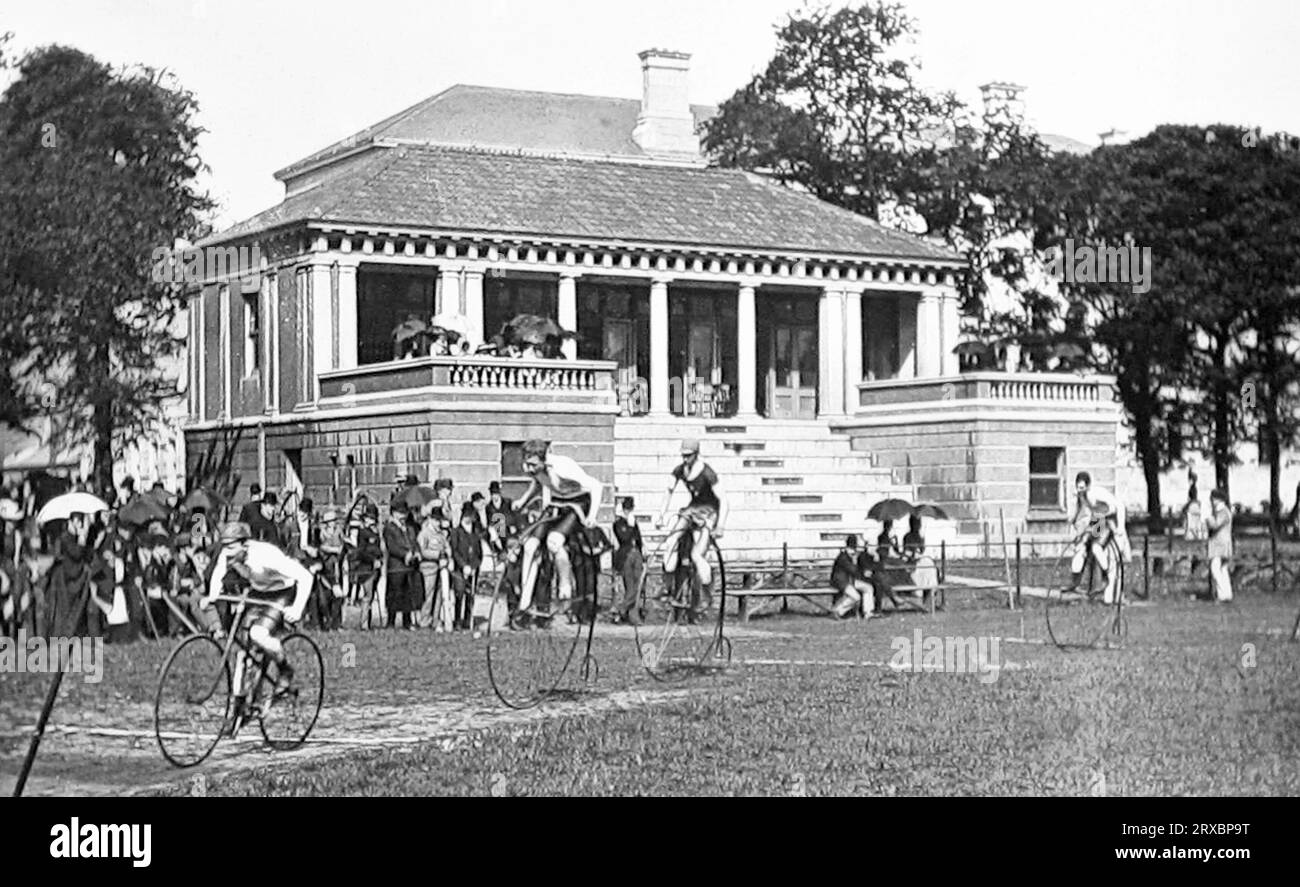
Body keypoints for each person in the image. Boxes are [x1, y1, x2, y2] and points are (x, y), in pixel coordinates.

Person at [203, 522, 314, 697]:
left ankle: (284, 669)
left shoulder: (265, 556)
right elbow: (218, 572)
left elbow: (305, 577)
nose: (227, 552)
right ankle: (243, 697)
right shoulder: (228, 553)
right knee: (243, 647)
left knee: (258, 634)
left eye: (231, 547)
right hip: (259, 592)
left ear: (244, 544)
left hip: (282, 592)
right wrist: (212, 595)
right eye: (224, 547)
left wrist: (297, 608)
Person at [513, 439, 603, 621]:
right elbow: (539, 483)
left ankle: (565, 584)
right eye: (526, 463)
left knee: (554, 541)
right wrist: (522, 501)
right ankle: (525, 599)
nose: (528, 468)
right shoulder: (536, 469)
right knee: (530, 545)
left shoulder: (563, 468)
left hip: (577, 502)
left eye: (532, 464)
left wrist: (592, 515)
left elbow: (596, 486)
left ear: (544, 459)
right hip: (556, 502)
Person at [655, 437, 727, 607]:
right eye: (683, 456)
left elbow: (724, 500)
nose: (685, 459)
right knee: (671, 541)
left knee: (696, 555)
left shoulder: (707, 473)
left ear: (696, 454)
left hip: (709, 512)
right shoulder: (680, 470)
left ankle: (706, 594)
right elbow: (668, 491)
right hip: (692, 509)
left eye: (689, 456)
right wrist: (661, 514)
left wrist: (720, 525)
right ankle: (667, 586)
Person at [383, 502, 420, 628]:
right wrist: (405, 554)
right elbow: (392, 547)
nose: (403, 516)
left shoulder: (409, 528)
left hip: (409, 566)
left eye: (405, 513)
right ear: (393, 513)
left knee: (408, 594)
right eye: (400, 513)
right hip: (396, 566)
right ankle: (391, 621)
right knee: (394, 593)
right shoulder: (389, 527)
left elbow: (414, 542)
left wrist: (415, 552)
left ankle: (407, 621)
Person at [345, 505, 382, 629]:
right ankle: (364, 623)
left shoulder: (375, 532)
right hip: (366, 568)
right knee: (367, 596)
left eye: (372, 518)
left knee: (370, 596)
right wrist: (372, 561)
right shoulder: (363, 533)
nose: (370, 521)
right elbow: (361, 552)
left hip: (376, 568)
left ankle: (368, 621)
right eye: (368, 518)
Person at [416, 501, 451, 631]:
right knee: (428, 595)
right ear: (430, 519)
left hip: (441, 568)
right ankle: (424, 620)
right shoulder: (424, 533)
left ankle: (435, 620)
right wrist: (437, 554)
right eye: (436, 520)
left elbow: (447, 546)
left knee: (439, 596)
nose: (438, 523)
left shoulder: (441, 534)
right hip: (428, 568)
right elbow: (422, 551)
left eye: (439, 520)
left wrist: (447, 554)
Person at [449, 505, 483, 630]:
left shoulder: (475, 533)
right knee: (459, 593)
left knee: (471, 595)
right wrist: (463, 566)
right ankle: (457, 620)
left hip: (473, 569)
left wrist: (474, 566)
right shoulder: (456, 532)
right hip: (460, 569)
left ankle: (468, 620)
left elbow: (479, 553)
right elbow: (455, 551)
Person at [611, 497, 644, 625]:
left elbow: (639, 539)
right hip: (625, 555)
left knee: (638, 585)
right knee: (630, 585)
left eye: (630, 509)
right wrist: (630, 527)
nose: (628, 511)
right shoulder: (618, 524)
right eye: (626, 509)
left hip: (636, 554)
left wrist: (642, 552)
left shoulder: (634, 522)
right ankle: (625, 612)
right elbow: (624, 539)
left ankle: (624, 611)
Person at [830, 534, 875, 619]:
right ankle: (837, 611)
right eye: (852, 549)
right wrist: (858, 565)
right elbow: (853, 570)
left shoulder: (849, 556)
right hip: (841, 582)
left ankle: (868, 612)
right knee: (856, 597)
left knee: (868, 588)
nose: (853, 551)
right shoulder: (843, 557)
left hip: (850, 580)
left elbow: (856, 571)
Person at [1206, 489, 1233, 603]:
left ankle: (1222, 594)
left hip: (1220, 544)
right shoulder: (1223, 511)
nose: (1211, 501)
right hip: (1222, 544)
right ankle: (1227, 594)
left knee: (1215, 568)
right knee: (1223, 569)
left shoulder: (1222, 512)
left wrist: (1207, 517)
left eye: (1213, 499)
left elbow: (1215, 525)